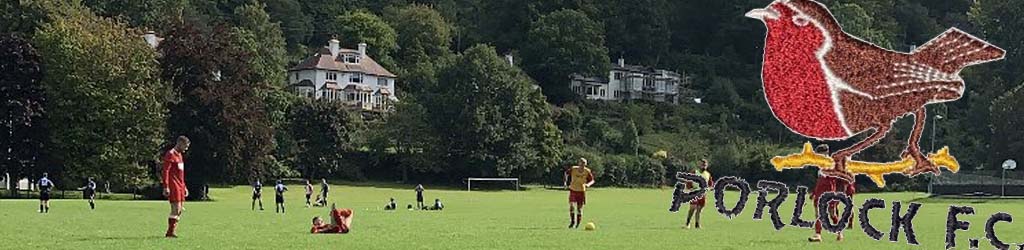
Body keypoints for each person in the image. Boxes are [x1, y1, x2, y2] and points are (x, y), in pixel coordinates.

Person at [809, 144, 842, 242]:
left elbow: (833, 180)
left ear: (825, 153)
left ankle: (839, 232)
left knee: (832, 214)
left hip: (829, 192)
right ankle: (818, 235)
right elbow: (820, 181)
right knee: (818, 214)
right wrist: (814, 192)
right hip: (820, 192)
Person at [162, 136, 190, 238]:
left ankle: (171, 231)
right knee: (176, 208)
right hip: (173, 185)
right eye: (185, 146)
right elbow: (166, 171)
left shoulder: (180, 155)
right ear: (180, 143)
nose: (186, 149)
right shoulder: (170, 154)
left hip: (180, 185)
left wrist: (184, 187)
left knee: (180, 210)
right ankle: (170, 232)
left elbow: (180, 173)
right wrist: (166, 186)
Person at [564, 158, 595, 229]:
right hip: (573, 189)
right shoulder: (573, 169)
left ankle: (577, 224)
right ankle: (572, 222)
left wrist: (588, 184)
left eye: (584, 165)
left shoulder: (587, 171)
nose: (582, 166)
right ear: (579, 163)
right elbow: (566, 173)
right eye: (581, 164)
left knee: (579, 209)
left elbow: (592, 180)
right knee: (571, 205)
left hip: (581, 191)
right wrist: (565, 182)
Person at [685, 159, 713, 229]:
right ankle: (687, 223)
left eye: (705, 165)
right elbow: (689, 180)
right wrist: (689, 188)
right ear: (699, 165)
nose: (703, 166)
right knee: (692, 208)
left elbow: (710, 184)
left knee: (699, 210)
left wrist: (709, 188)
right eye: (702, 165)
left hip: (702, 194)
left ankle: (697, 224)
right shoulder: (695, 172)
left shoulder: (708, 174)